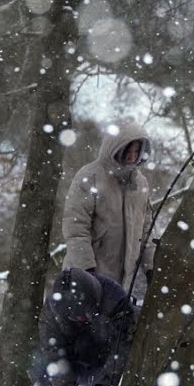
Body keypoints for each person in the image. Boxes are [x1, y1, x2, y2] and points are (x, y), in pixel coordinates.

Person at [62, 121, 155, 300]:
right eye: (128, 150)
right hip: (90, 274)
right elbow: (76, 227)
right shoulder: (89, 176)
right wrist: (86, 269)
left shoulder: (140, 183)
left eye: (136, 151)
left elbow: (146, 228)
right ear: (115, 148)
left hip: (123, 281)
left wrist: (150, 266)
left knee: (112, 325)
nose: (132, 156)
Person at [31, 268, 136, 386]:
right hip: (71, 359)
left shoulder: (117, 303)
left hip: (101, 361)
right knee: (39, 361)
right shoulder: (52, 311)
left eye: (83, 314)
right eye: (73, 317)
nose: (80, 319)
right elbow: (53, 352)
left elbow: (120, 351)